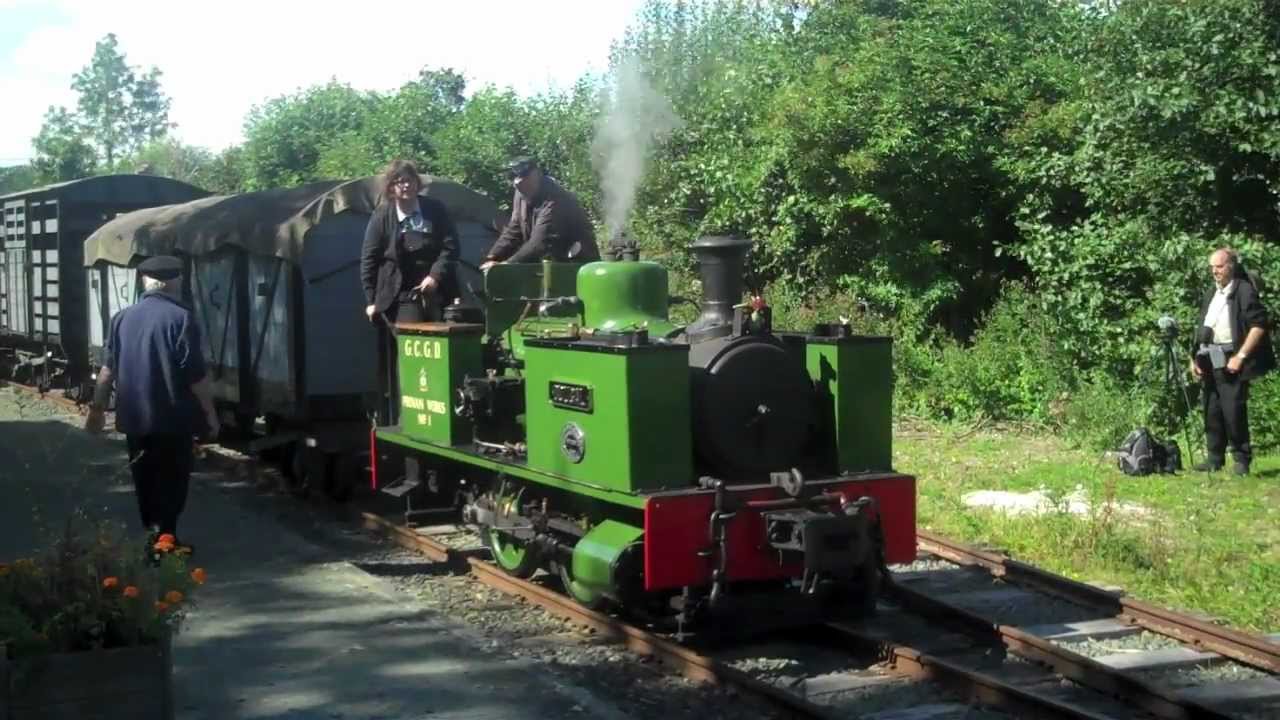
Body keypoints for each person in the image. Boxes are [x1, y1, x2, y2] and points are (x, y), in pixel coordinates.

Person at [85, 255, 218, 556]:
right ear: (175, 281)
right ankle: (167, 537)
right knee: (173, 478)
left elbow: (108, 370)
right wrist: (210, 415)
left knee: (144, 477)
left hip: (134, 419)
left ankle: (153, 535)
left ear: (145, 281)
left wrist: (96, 411)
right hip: (173, 419)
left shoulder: (121, 318)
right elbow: (196, 377)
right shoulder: (182, 319)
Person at [1189, 247, 1274, 475]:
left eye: (1219, 266)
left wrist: (1241, 356)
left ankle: (1241, 460)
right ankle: (1214, 459)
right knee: (1211, 409)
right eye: (1212, 267)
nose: (1214, 271)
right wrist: (1194, 357)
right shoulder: (1212, 292)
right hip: (1209, 355)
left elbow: (1259, 326)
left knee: (1233, 409)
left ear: (1231, 266)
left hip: (1231, 357)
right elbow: (1202, 325)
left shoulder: (1243, 290)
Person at [361, 159, 460, 324]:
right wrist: (371, 301)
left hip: (438, 291)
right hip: (398, 295)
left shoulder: (435, 209)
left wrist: (435, 276)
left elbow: (451, 246)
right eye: (399, 182)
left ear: (417, 182)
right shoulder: (382, 216)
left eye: (409, 180)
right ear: (391, 187)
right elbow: (369, 259)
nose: (405, 185)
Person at [479, 156, 600, 270]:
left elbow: (540, 243)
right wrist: (492, 256)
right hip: (548, 267)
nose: (518, 183)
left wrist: (506, 265)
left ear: (537, 174)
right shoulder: (520, 193)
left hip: (576, 267)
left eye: (525, 177)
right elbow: (514, 229)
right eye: (514, 178)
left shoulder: (556, 199)